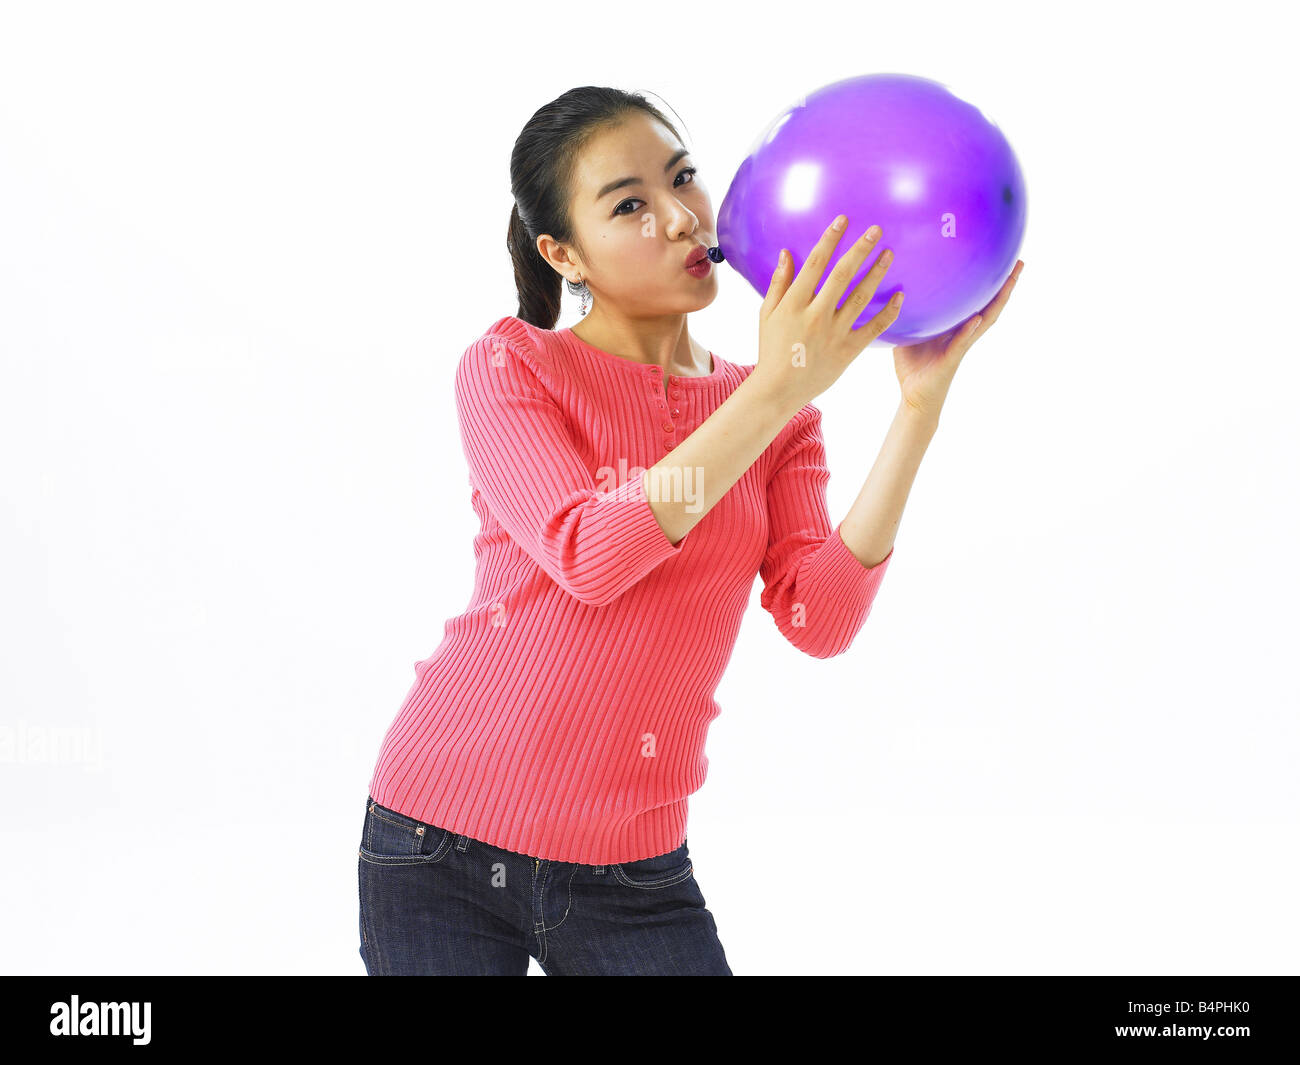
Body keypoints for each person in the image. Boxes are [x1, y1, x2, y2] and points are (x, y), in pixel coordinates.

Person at [358, 86, 1023, 976]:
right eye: (629, 204)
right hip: (437, 834)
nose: (679, 218)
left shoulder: (778, 419)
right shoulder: (513, 365)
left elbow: (818, 620)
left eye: (683, 179)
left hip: (631, 870)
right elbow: (590, 554)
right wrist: (774, 389)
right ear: (565, 253)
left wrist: (916, 408)